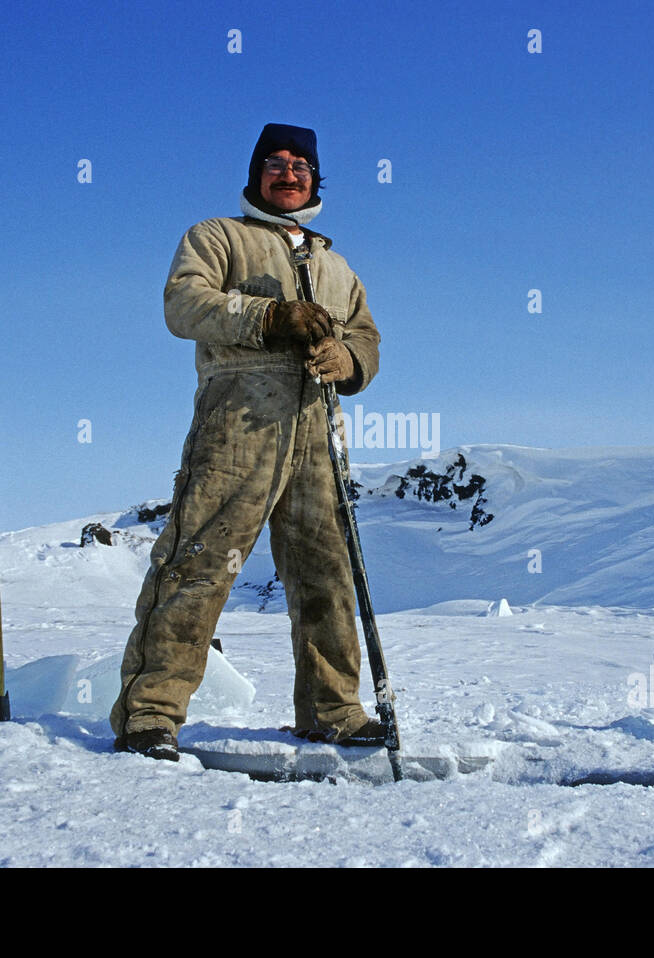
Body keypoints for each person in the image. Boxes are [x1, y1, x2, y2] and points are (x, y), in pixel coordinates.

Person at [109, 123, 384, 761]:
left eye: (301, 167)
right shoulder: (216, 237)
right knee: (198, 563)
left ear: (317, 180)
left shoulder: (338, 266)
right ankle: (150, 715)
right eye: (275, 163)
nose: (289, 174)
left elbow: (367, 339)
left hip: (318, 430)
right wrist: (268, 316)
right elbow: (184, 305)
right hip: (239, 423)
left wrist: (348, 359)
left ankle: (333, 711)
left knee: (326, 574)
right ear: (255, 174)